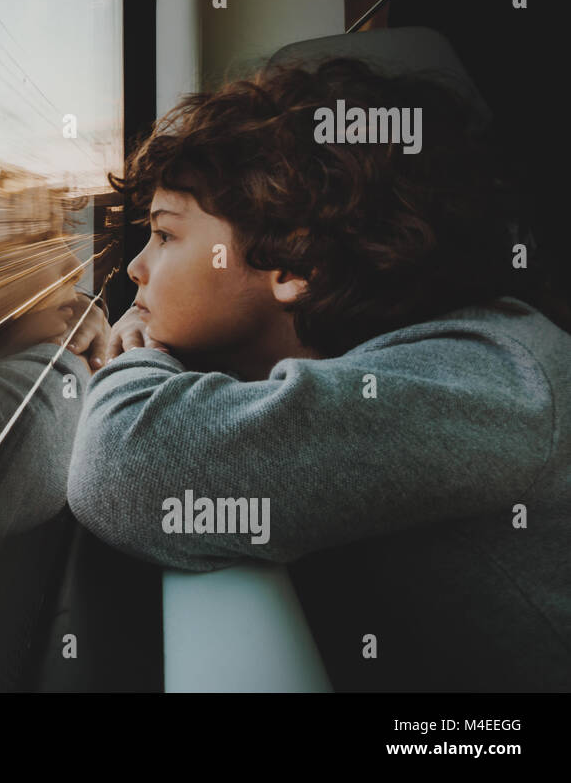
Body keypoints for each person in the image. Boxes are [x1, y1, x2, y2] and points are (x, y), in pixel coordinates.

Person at [64, 57, 571, 691]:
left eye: (165, 236)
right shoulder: (371, 356)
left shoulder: (488, 381)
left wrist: (142, 352)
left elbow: (127, 470)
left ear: (293, 263)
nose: (137, 267)